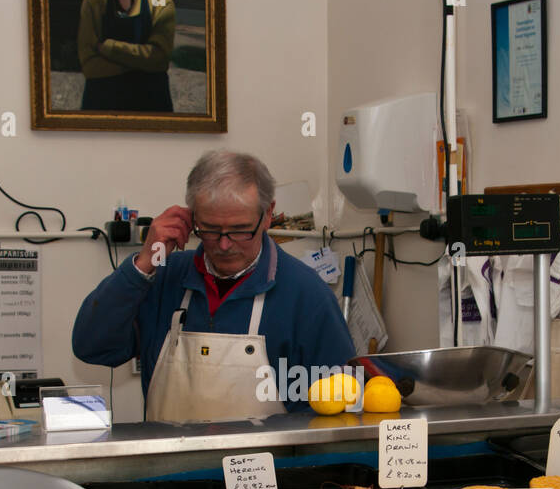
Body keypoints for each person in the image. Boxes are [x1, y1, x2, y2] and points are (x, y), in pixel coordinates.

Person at [72, 151, 356, 423]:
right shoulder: (163, 278)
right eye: (209, 229)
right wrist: (145, 262)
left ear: (268, 214)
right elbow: (93, 348)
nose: (224, 244)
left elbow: (340, 413)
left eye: (241, 229)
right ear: (190, 218)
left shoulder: (307, 296)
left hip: (266, 471)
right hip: (167, 469)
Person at [77, 0, 176, 112]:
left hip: (151, 103)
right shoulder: (93, 3)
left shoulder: (160, 1)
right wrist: (142, 63)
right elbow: (89, 66)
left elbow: (159, 58)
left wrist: (108, 47)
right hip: (101, 103)